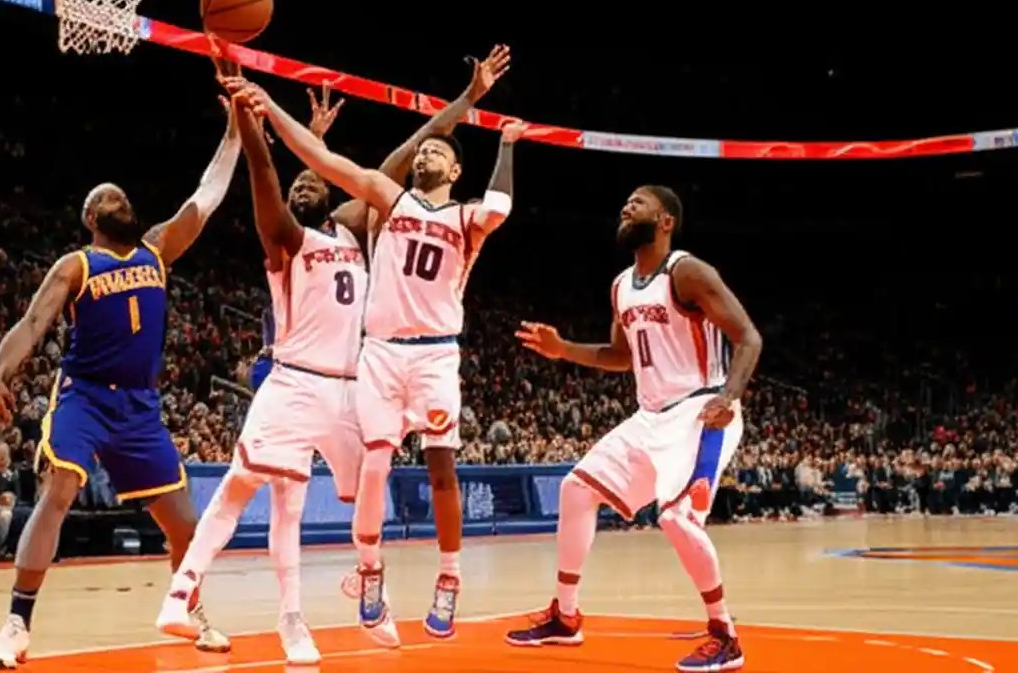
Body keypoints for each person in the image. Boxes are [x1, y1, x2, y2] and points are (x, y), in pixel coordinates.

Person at [220, 44, 518, 645]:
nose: (428, 152)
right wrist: (270, 105)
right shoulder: (387, 197)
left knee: (441, 471)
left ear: (456, 171)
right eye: (424, 148)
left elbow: (501, 205)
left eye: (439, 151)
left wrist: (505, 140)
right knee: (376, 464)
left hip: (435, 353)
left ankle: (450, 577)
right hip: (378, 354)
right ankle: (370, 569)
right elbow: (320, 157)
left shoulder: (464, 218)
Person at [0, 84, 241, 670]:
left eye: (121, 192)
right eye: (107, 196)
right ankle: (17, 624)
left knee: (185, 525)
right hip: (85, 398)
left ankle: (188, 607)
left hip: (140, 408)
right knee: (60, 491)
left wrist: (236, 132)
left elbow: (209, 194)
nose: (119, 197)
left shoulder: (157, 249)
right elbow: (33, 322)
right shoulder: (78, 264)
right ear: (93, 216)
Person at [504, 185, 762, 673]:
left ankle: (725, 634)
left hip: (700, 410)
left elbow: (748, 336)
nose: (626, 207)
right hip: (650, 417)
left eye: (638, 202)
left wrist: (729, 397)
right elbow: (619, 356)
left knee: (677, 518)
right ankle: (565, 616)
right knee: (576, 488)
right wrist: (564, 350)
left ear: (666, 221)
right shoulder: (622, 284)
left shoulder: (687, 271)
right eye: (624, 202)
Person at [158, 82, 362, 666]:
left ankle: (355, 590)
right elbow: (272, 179)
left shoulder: (353, 232)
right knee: (250, 494)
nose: (305, 184)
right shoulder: (288, 239)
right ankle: (202, 600)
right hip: (294, 379)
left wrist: (316, 142)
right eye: (300, 181)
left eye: (314, 181)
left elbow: (339, 177)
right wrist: (251, 122)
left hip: (344, 392)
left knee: (318, 501)